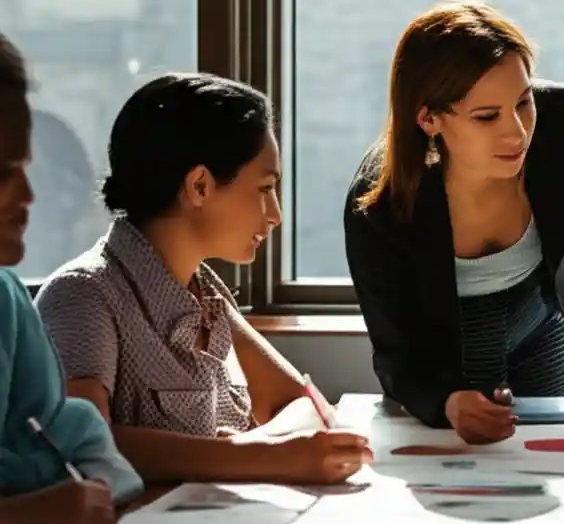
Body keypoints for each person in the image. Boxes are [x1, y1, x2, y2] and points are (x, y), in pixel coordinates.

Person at [344, 1, 564, 444]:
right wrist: (448, 400)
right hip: (443, 361)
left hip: (540, 327)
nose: (516, 131)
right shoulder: (379, 203)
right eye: (486, 117)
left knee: (554, 470)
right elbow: (398, 348)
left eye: (524, 102)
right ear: (429, 118)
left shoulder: (562, 124)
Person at [36, 73, 373, 485]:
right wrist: (260, 456)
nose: (275, 214)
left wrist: (258, 448)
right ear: (199, 186)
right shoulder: (83, 296)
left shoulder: (205, 293)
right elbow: (87, 448)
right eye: (265, 188)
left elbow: (307, 407)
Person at [0, 33, 142, 523]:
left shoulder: (6, 299)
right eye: (1, 175)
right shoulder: (83, 292)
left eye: (24, 168)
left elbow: (61, 424)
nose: (29, 197)